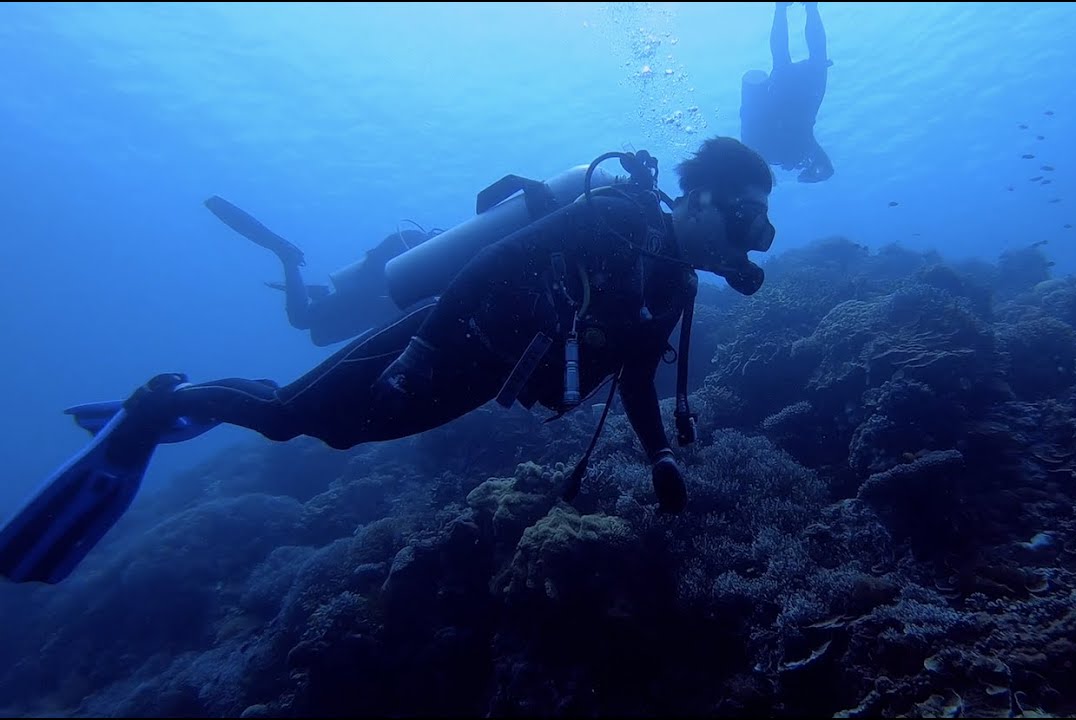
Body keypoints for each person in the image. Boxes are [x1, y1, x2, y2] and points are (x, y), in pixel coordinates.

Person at [0, 137, 776, 584]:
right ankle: (159, 403)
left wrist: (659, 455)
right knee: (285, 417)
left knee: (337, 434)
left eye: (761, 219)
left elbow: (637, 374)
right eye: (744, 211)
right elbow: (484, 269)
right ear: (699, 198)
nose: (752, 233)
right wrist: (419, 347)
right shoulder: (613, 216)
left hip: (481, 379)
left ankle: (194, 405)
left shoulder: (672, 282)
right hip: (439, 337)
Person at [204, 195, 446, 347]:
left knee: (319, 338)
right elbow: (377, 259)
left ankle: (318, 292)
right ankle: (286, 255)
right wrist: (366, 286)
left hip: (380, 307)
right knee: (302, 319)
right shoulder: (424, 247)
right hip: (372, 295)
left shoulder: (435, 254)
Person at [739, 2, 835, 183]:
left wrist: (812, 174)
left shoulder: (798, 149)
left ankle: (803, 8)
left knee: (810, 56)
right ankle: (785, 8)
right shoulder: (773, 152)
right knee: (783, 57)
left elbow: (826, 168)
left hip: (803, 99)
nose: (792, 167)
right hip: (796, 99)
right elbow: (826, 168)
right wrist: (812, 174)